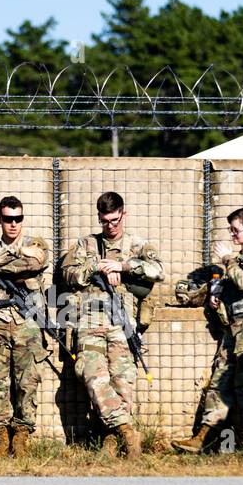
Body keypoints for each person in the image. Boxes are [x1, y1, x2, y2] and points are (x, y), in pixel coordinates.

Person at [60, 191, 163, 458]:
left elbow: (158, 271)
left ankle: (111, 440)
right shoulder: (85, 244)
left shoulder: (137, 245)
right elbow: (67, 273)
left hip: (123, 323)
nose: (110, 226)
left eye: (115, 220)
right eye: (105, 221)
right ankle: (128, 431)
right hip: (90, 321)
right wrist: (98, 267)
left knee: (123, 384)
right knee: (92, 376)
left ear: (123, 215)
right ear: (98, 218)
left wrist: (123, 266)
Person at [173, 207, 243, 453]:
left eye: (236, 229)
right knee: (219, 381)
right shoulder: (239, 260)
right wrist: (217, 295)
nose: (231, 234)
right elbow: (234, 288)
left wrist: (228, 259)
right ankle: (204, 438)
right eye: (230, 229)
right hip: (234, 329)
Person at [0, 196, 51, 457]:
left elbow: (36, 262)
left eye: (18, 218)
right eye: (8, 219)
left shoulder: (37, 244)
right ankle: (0, 436)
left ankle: (21, 435)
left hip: (27, 323)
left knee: (27, 381)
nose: (13, 224)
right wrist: (17, 253)